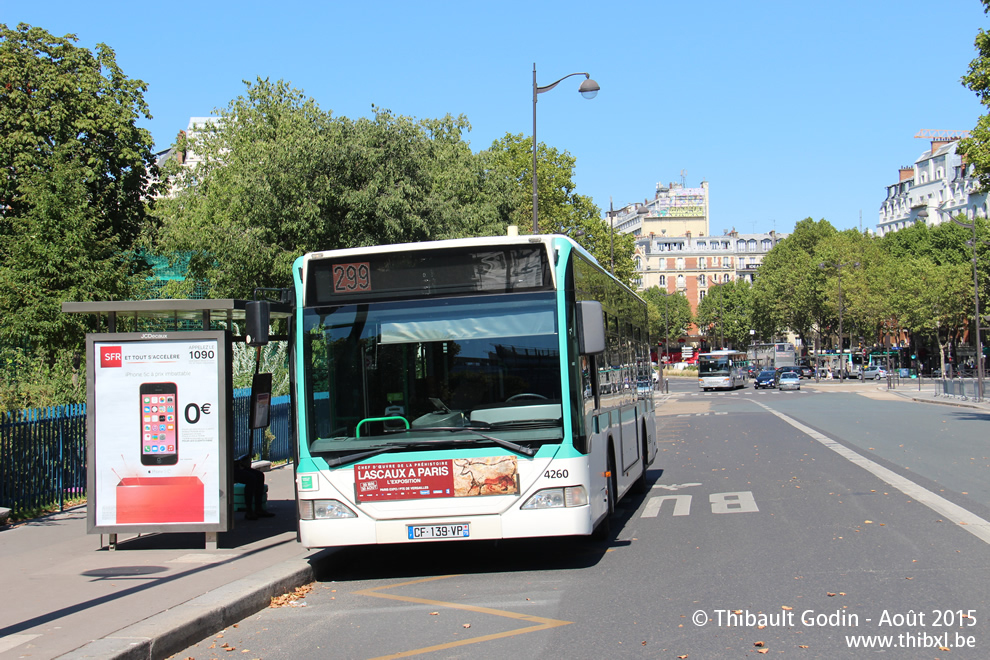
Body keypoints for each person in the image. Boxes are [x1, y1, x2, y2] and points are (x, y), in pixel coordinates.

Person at [234, 456, 274, 520]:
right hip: (228, 469)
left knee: (259, 475)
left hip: (235, 467)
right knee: (251, 478)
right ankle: (249, 510)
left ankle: (258, 508)